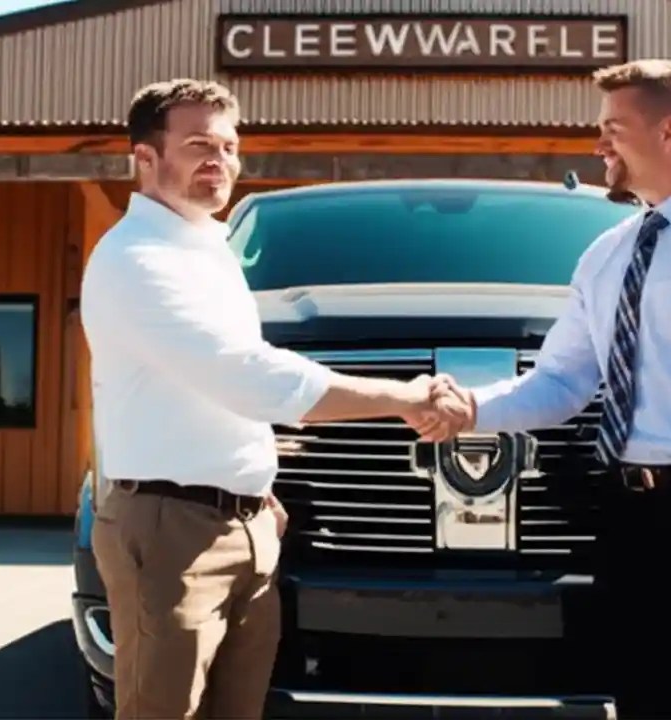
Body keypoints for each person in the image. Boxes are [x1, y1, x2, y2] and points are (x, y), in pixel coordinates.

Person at [414, 59, 671, 719]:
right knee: (641, 700)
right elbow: (562, 383)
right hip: (626, 515)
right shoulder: (606, 255)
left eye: (613, 128)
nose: (598, 145)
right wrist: (474, 409)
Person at [80, 78, 462, 720]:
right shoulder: (137, 260)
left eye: (229, 146)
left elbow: (213, 397)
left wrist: (254, 483)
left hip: (247, 525)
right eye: (199, 144)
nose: (220, 161)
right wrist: (404, 396)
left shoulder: (208, 250)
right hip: (171, 533)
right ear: (144, 159)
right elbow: (249, 378)